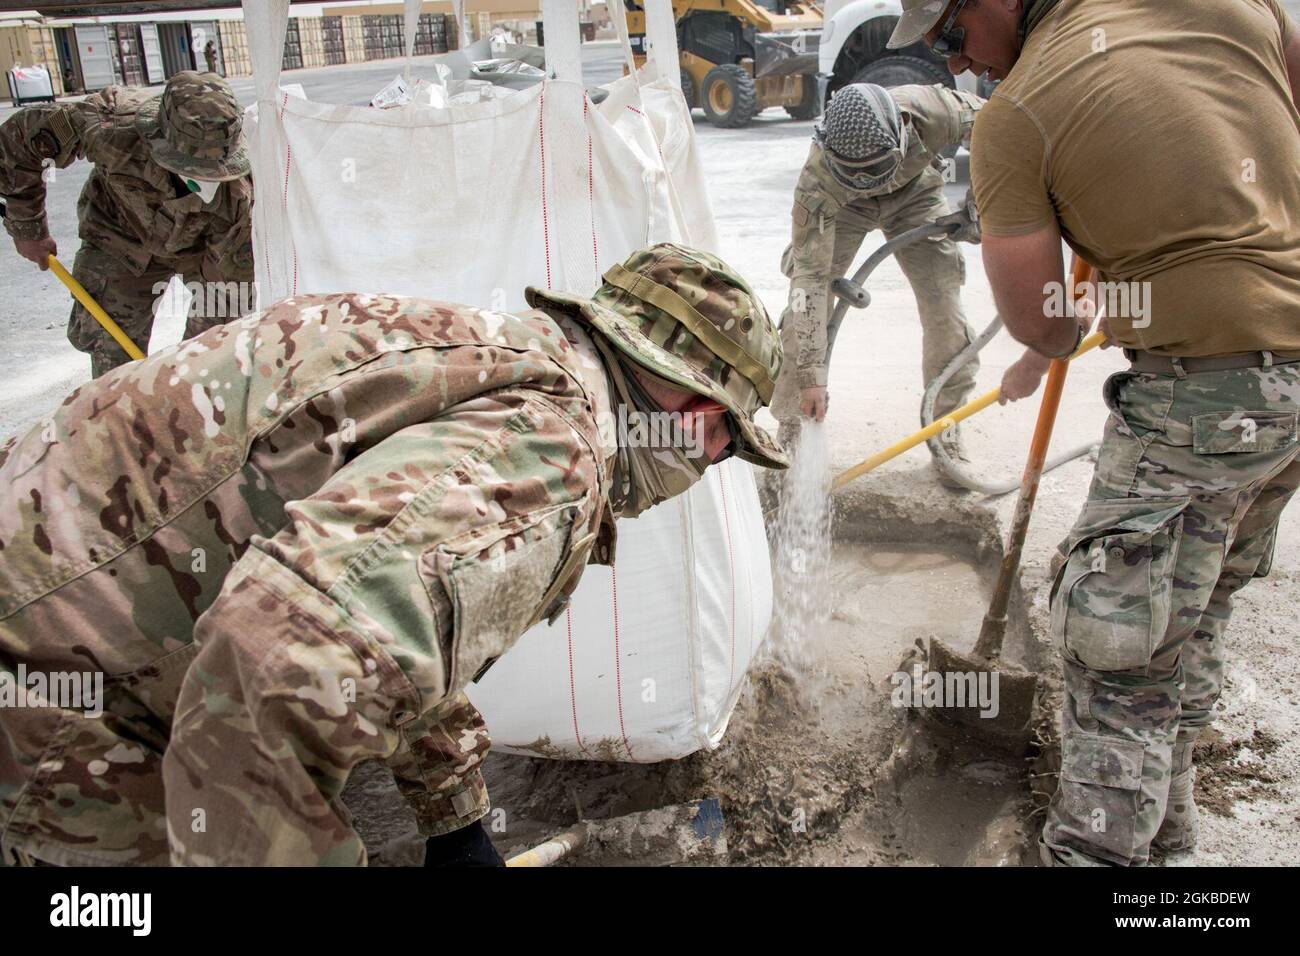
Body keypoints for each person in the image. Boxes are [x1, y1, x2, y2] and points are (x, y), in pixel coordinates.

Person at [0, 243, 788, 867]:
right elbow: (272, 666)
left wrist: (455, 818)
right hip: (40, 680)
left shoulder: (474, 351)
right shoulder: (553, 455)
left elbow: (376, 596)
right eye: (724, 451)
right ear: (699, 419)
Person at [892, 0, 1300, 864]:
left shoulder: (1018, 113)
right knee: (1187, 619)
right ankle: (1170, 848)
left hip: (1203, 396)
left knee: (1115, 649)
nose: (957, 67)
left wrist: (1100, 289)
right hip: (1289, 392)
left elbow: (1046, 324)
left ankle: (1096, 856)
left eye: (951, 37)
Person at [770, 79, 984, 481]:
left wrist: (981, 205)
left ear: (902, 132)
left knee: (944, 308)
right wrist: (811, 380)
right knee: (802, 312)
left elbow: (1005, 131)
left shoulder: (935, 111)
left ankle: (946, 427)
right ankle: (792, 428)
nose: (871, 181)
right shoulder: (817, 181)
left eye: (875, 172)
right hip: (845, 205)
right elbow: (811, 283)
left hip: (915, 194)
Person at [0, 71, 253, 377]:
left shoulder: (239, 195)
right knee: (112, 354)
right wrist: (28, 227)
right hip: (118, 239)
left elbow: (224, 292)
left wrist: (190, 372)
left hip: (200, 249)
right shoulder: (110, 126)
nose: (204, 178)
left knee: (212, 355)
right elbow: (17, 146)